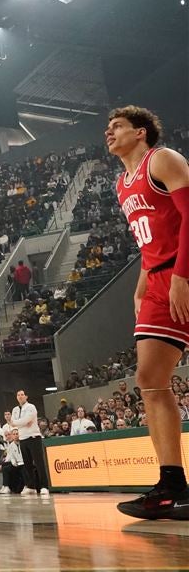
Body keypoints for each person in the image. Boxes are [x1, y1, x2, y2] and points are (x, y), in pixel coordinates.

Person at [107, 106, 189, 520]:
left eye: (117, 126)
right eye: (108, 127)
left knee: (153, 378)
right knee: (149, 378)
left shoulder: (163, 159)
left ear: (141, 133)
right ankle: (172, 484)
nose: (109, 132)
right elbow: (148, 241)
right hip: (157, 277)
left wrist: (182, 274)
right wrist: (141, 285)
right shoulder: (122, 183)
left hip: (183, 270)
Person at [7, 390, 49, 495]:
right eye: (18, 395)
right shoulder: (15, 409)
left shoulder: (31, 407)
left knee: (39, 463)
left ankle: (44, 486)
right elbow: (13, 424)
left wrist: (19, 422)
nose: (20, 396)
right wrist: (22, 423)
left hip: (34, 437)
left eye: (22, 395)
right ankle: (31, 486)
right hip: (23, 438)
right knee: (27, 464)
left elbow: (27, 420)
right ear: (16, 397)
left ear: (26, 396)